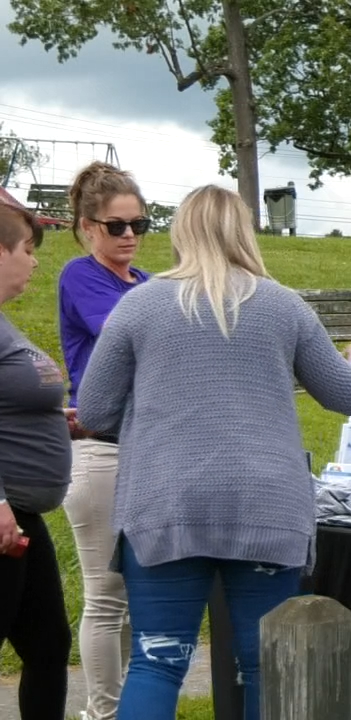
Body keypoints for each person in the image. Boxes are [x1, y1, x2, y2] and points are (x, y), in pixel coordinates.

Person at [75, 185, 351, 720]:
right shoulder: (284, 305)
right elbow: (347, 395)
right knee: (268, 666)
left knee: (156, 664)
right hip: (267, 506)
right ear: (244, 232)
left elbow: (94, 411)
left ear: (179, 234)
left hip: (167, 503)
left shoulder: (138, 306)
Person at [59, 161, 151, 720]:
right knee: (106, 596)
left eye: (139, 225)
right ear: (88, 226)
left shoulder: (144, 285)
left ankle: (132, 708)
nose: (129, 237)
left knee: (142, 598)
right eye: (116, 226)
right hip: (99, 452)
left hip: (143, 452)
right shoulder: (80, 275)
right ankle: (102, 713)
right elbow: (129, 334)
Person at [0, 205, 73, 720]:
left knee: (48, 645)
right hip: (4, 516)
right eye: (27, 249)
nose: (35, 263)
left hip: (24, 516)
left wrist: (59, 419)